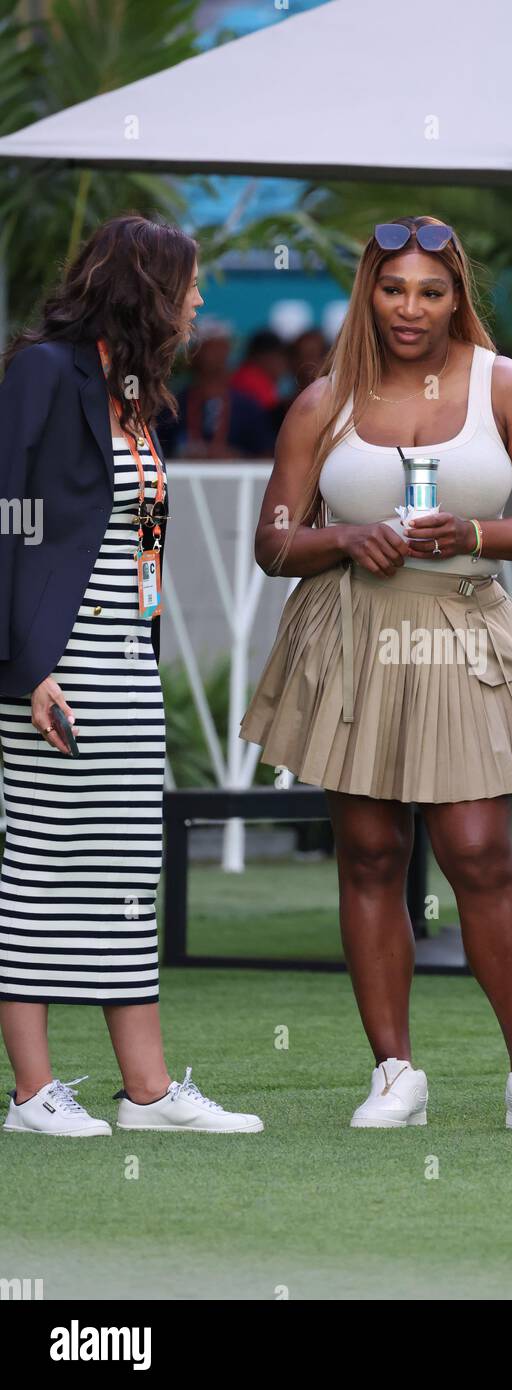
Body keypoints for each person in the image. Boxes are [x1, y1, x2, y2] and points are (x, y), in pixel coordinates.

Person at [240, 215, 512, 1134]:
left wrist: (474, 533)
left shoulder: (504, 386)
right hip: (353, 635)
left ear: (456, 296)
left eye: (431, 291)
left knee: (477, 851)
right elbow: (272, 544)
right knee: (372, 855)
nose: (411, 308)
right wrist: (344, 537)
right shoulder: (324, 400)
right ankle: (395, 1073)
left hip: (465, 633)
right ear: (369, 292)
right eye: (394, 289)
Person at [0, 213, 262, 1137]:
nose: (199, 301)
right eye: (189, 284)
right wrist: (23, 667)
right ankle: (32, 1095)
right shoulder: (43, 372)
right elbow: (9, 518)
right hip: (53, 666)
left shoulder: (140, 390)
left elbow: (143, 543)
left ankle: (147, 1093)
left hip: (125, 664)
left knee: (123, 873)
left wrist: (141, 655)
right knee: (42, 864)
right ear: (145, 286)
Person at [156, 317, 275, 459]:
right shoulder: (172, 405)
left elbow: (266, 456)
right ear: (192, 353)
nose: (216, 354)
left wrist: (234, 456)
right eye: (208, 347)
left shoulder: (248, 407)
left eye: (221, 347)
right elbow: (158, 451)